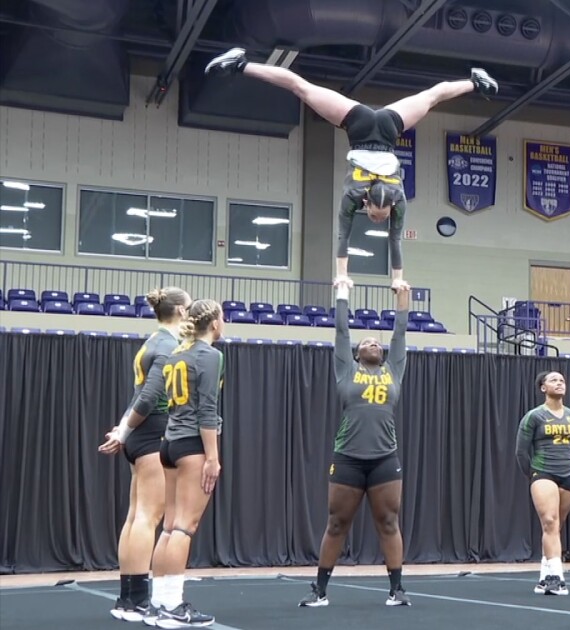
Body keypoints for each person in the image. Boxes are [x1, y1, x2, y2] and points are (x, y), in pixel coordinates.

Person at [204, 47, 498, 292]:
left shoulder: (390, 198)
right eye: (379, 216)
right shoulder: (360, 195)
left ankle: (476, 82)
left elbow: (372, 238)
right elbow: (366, 237)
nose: (377, 220)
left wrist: (377, 277)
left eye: (375, 217)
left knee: (430, 96)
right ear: (371, 203)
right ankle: (240, 65)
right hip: (365, 127)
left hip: (383, 126)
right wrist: (364, 277)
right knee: (302, 88)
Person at [299, 281, 411, 608]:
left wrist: (403, 297)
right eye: (366, 342)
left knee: (389, 522)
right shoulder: (345, 369)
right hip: (348, 457)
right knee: (336, 523)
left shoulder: (394, 369)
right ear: (357, 353)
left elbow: (400, 332)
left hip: (385, 458)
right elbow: (341, 331)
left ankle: (397, 589)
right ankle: (319, 591)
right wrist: (342, 292)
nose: (373, 343)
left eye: (377, 342)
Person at [97, 287, 192, 623]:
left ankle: (128, 599)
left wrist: (124, 429)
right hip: (154, 433)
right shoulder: (169, 346)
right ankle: (137, 599)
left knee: (136, 516)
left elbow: (138, 396)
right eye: (190, 306)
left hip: (142, 434)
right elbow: (150, 396)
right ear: (180, 311)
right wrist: (123, 431)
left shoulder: (152, 341)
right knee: (148, 518)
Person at [146, 300, 226, 628]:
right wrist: (213, 458)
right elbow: (207, 410)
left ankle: (158, 603)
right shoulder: (210, 355)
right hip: (192, 444)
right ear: (215, 323)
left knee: (169, 527)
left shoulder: (177, 353)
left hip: (169, 443)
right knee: (183, 528)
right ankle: (172, 607)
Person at [515, 372, 570, 596]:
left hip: (568, 475)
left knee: (555, 527)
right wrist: (534, 475)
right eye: (554, 380)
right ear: (543, 388)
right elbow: (521, 451)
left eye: (562, 380)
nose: (559, 383)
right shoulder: (534, 416)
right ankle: (556, 578)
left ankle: (544, 577)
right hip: (543, 472)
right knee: (550, 522)